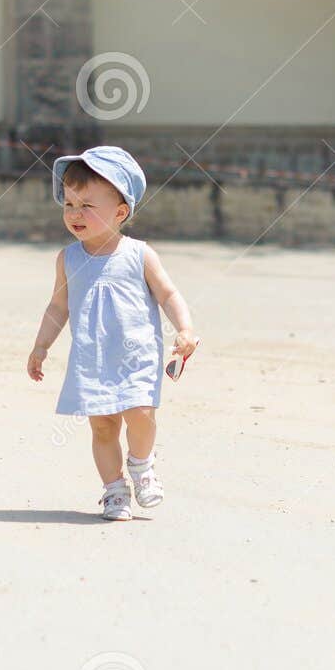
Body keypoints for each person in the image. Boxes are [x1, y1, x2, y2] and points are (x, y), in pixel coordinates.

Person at [26, 146, 199, 521]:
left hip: (136, 356)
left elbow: (168, 293)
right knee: (103, 427)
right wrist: (41, 346)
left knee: (141, 413)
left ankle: (141, 465)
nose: (74, 213)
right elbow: (58, 307)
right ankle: (114, 490)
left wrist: (184, 327)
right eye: (69, 203)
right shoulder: (68, 259)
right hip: (92, 359)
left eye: (87, 205)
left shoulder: (139, 254)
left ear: (120, 213)